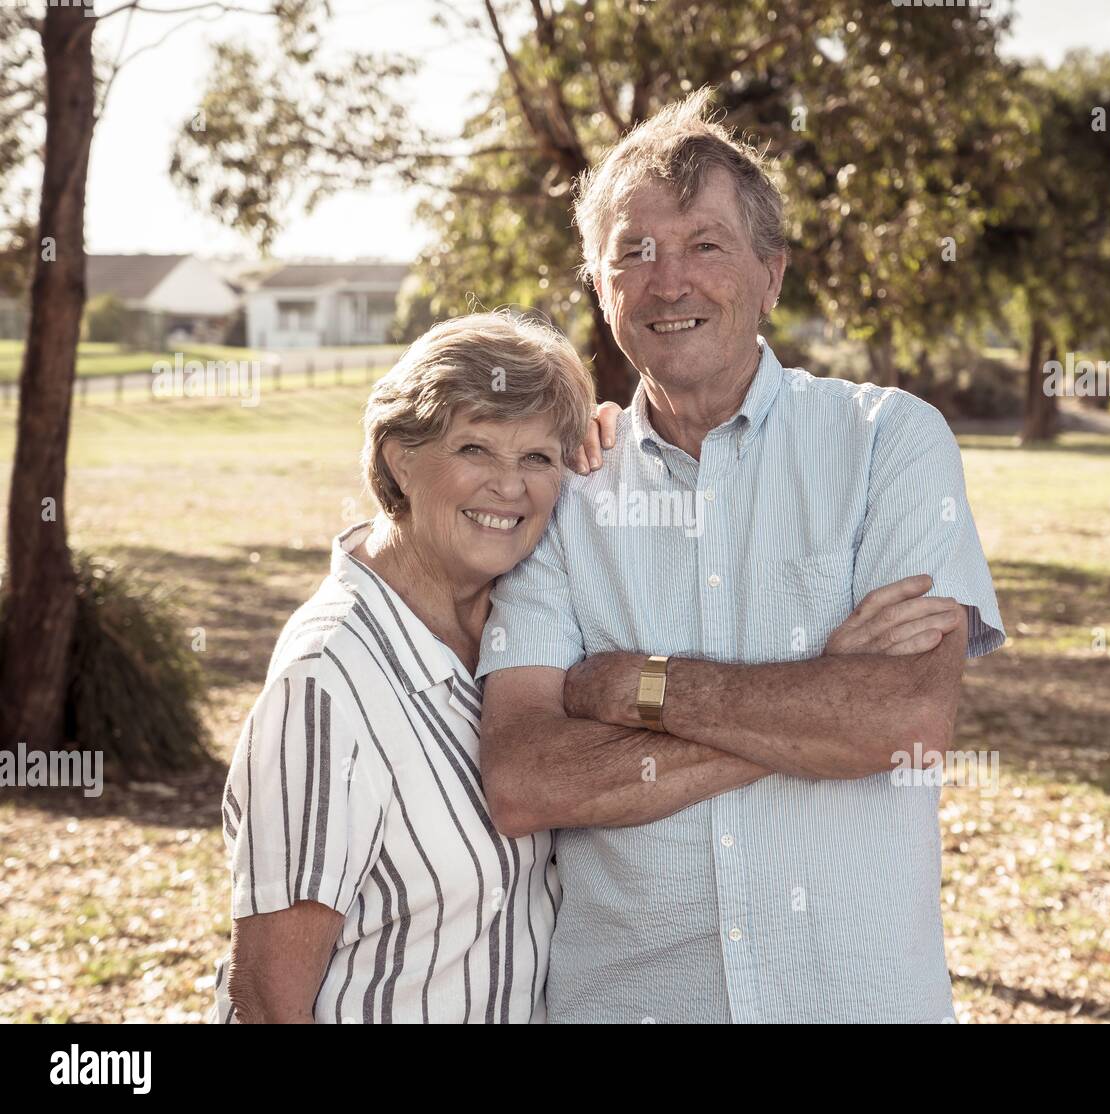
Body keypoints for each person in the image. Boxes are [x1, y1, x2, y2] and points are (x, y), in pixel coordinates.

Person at [477, 90, 1006, 1023]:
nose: (667, 280)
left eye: (704, 245)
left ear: (772, 274)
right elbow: (523, 777)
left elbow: (904, 722)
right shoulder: (562, 488)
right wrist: (822, 702)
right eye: (632, 253)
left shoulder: (891, 442)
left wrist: (638, 688)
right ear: (602, 291)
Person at [211, 311, 617, 1023]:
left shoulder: (524, 630)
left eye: (537, 459)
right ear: (402, 460)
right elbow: (267, 1001)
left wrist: (622, 452)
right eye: (476, 448)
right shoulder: (327, 682)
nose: (509, 487)